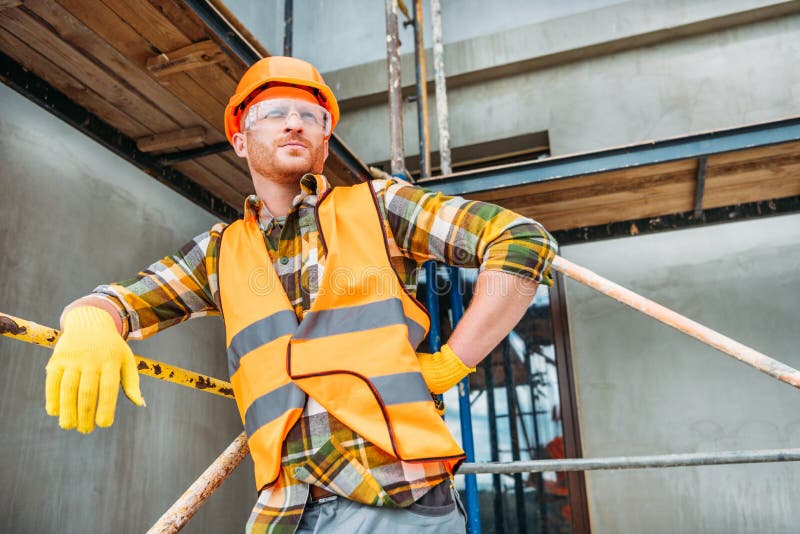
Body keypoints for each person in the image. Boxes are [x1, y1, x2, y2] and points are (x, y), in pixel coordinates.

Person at [45, 56, 557, 533]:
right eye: (273, 113)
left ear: (324, 140)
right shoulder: (219, 254)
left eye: (310, 115)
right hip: (286, 513)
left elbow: (522, 240)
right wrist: (90, 319)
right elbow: (120, 301)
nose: (294, 123)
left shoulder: (380, 209)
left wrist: (452, 362)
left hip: (398, 500)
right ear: (241, 140)